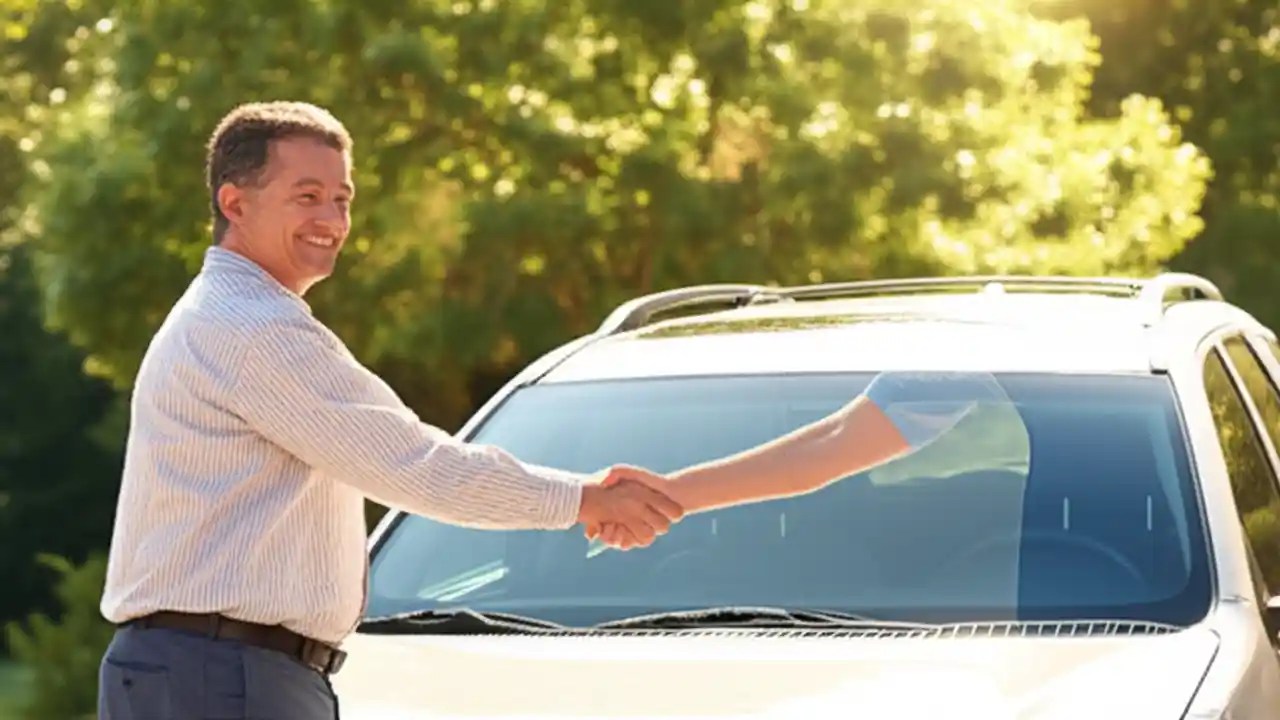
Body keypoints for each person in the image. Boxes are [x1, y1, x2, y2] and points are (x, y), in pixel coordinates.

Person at [96, 100, 992, 719]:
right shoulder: (255, 333)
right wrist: (585, 499)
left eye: (343, 198)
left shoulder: (246, 324)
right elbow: (419, 467)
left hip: (226, 674)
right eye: (307, 197)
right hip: (223, 679)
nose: (333, 218)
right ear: (233, 200)